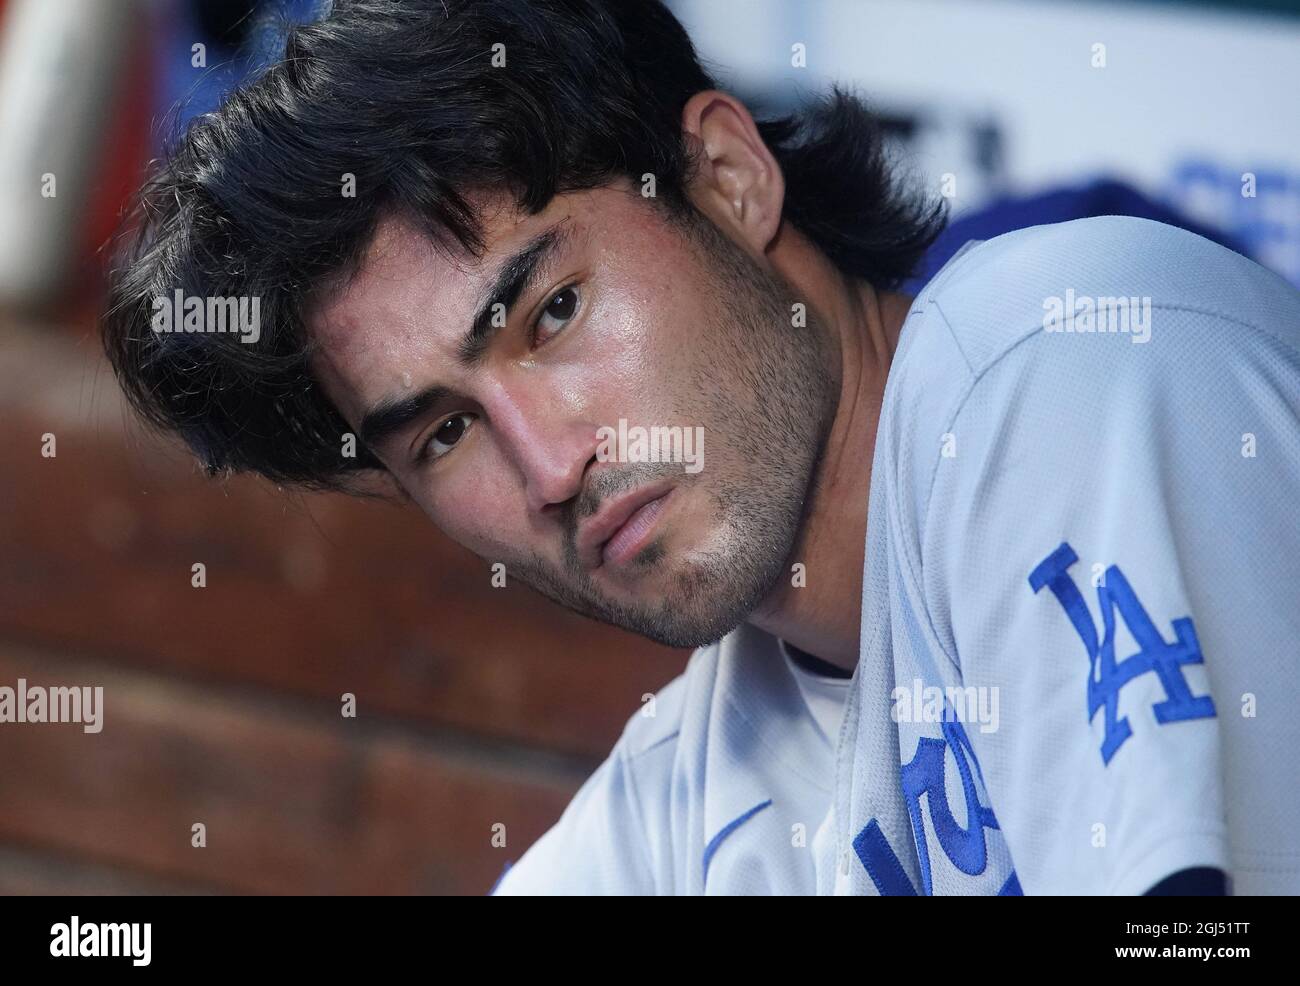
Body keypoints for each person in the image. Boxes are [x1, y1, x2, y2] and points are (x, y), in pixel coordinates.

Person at [102, 0, 1300, 895]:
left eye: (551, 312)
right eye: (446, 430)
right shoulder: (697, 776)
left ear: (726, 177)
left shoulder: (1056, 355)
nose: (546, 465)